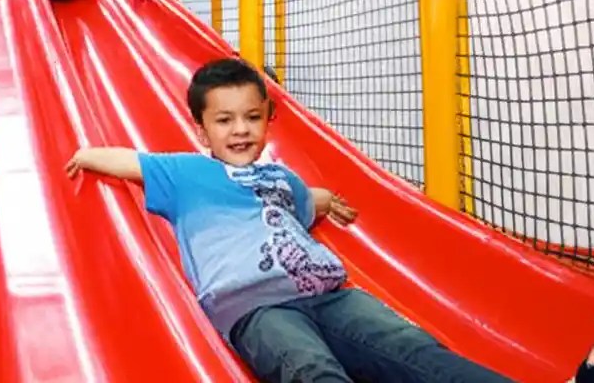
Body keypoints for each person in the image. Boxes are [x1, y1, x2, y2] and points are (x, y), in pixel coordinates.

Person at [65, 57, 514, 383]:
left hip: (330, 295)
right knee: (310, 369)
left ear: (267, 122)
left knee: (408, 348)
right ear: (201, 130)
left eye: (252, 118)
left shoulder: (282, 177)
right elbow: (132, 162)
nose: (240, 129)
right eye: (224, 120)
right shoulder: (187, 173)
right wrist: (85, 152)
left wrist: (326, 200)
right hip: (254, 307)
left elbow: (303, 201)